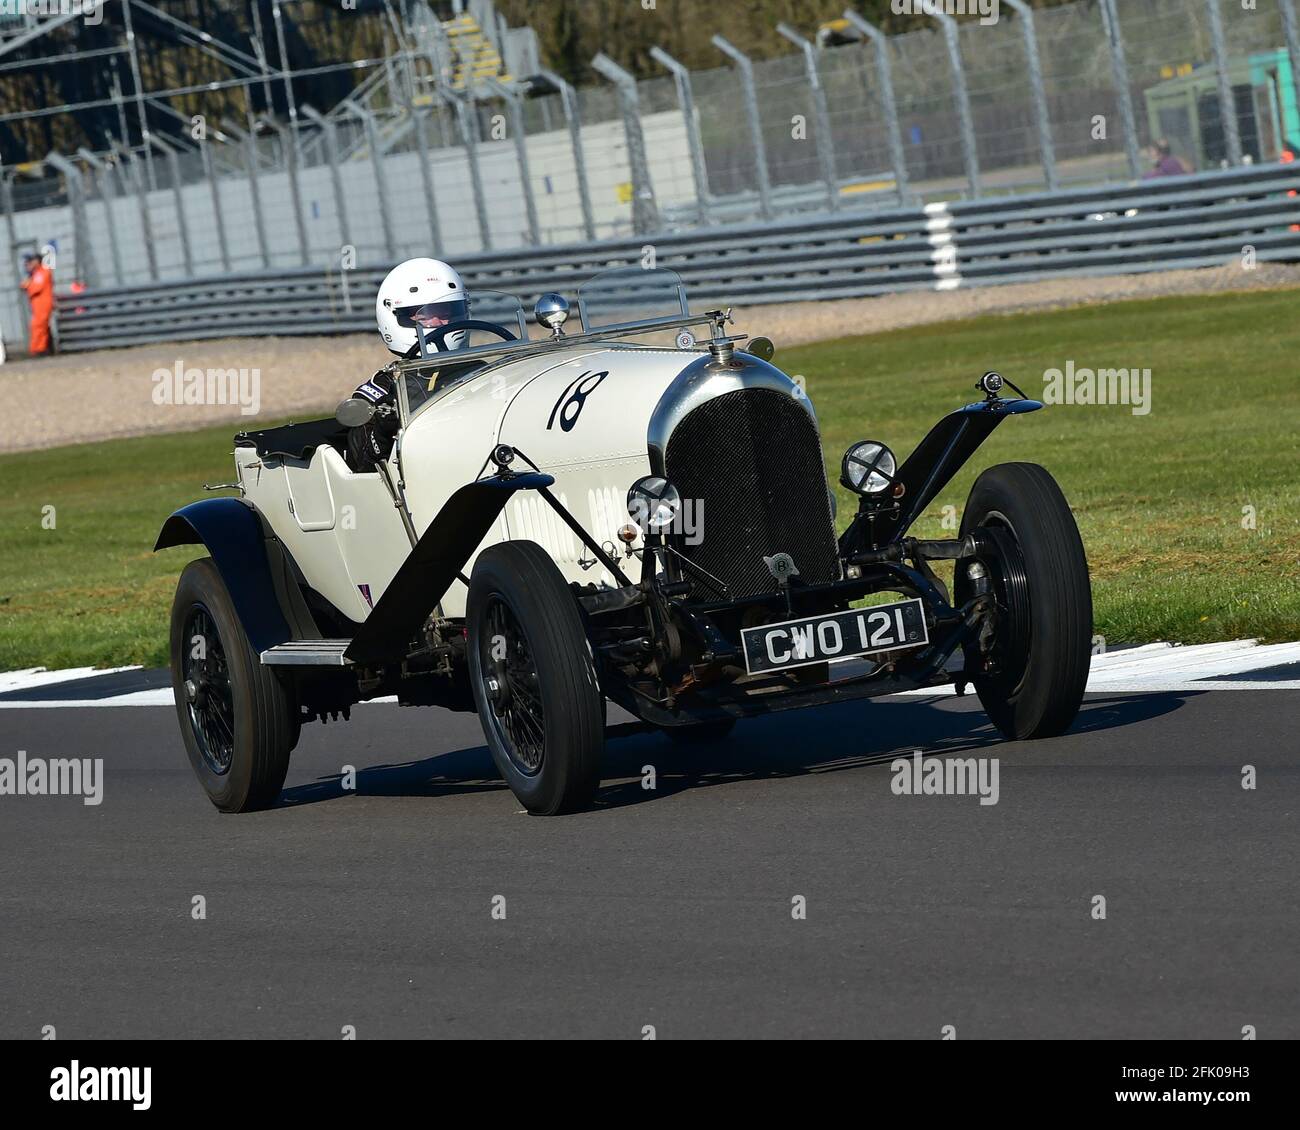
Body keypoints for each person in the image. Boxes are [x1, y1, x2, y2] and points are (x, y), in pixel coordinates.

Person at [345, 257, 471, 472]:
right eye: (426, 315)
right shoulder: (379, 391)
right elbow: (362, 465)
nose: (440, 323)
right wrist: (386, 426)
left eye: (448, 312)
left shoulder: (481, 370)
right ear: (398, 318)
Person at [20, 251, 53, 356]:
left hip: (43, 305)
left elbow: (35, 288)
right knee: (40, 327)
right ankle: (43, 349)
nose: (28, 264)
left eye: (31, 261)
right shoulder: (36, 273)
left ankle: (39, 349)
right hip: (38, 305)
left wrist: (27, 285)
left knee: (38, 326)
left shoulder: (43, 272)